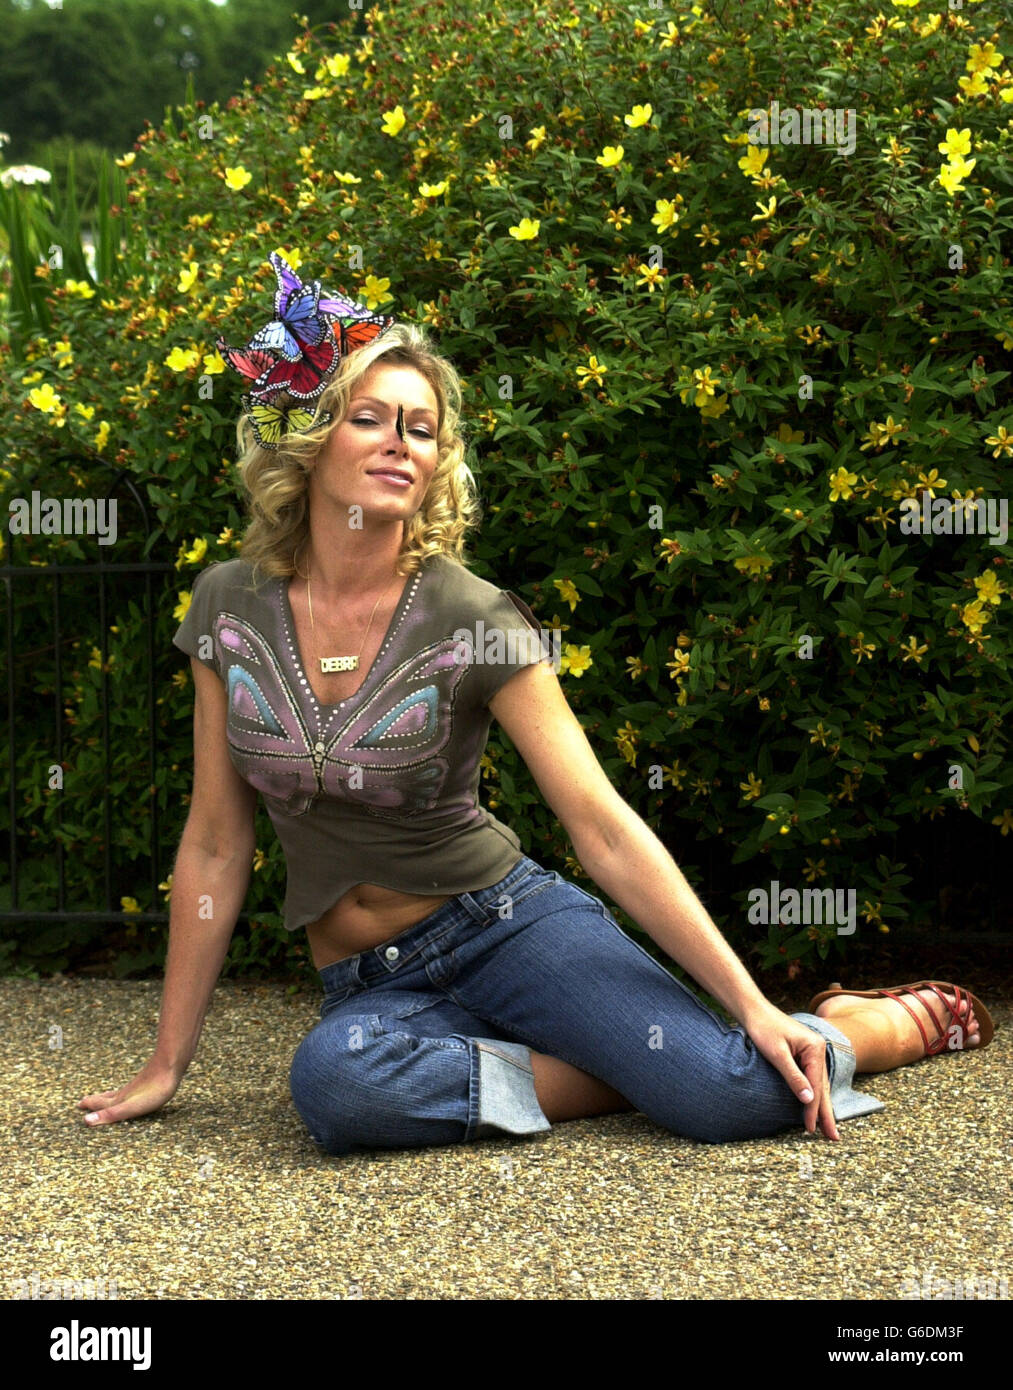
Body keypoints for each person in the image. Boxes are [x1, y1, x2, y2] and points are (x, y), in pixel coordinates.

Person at [77, 269, 994, 1152]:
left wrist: (750, 1006)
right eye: (369, 419)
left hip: (505, 928)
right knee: (337, 1087)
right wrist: (168, 1062)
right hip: (369, 981)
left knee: (730, 1092)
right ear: (310, 440)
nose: (401, 441)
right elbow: (212, 842)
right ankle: (644, 1068)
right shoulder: (227, 609)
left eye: (422, 429)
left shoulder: (473, 616)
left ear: (439, 462)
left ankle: (862, 1026)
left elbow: (598, 825)